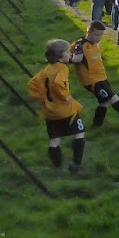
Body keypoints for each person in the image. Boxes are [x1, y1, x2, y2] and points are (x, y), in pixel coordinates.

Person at [70, 21, 119, 132]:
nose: (99, 38)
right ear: (89, 32)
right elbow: (73, 58)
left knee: (104, 102)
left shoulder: (96, 44)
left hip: (102, 78)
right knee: (113, 99)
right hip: (92, 81)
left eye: (101, 35)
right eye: (97, 35)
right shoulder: (80, 45)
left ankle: (96, 127)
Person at [28, 38, 87, 174]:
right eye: (67, 52)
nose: (70, 54)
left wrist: (41, 98)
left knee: (55, 139)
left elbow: (32, 84)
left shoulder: (47, 70)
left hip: (50, 112)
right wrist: (64, 95)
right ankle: (76, 164)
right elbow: (58, 83)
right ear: (60, 56)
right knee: (79, 133)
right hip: (66, 111)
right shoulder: (62, 68)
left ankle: (57, 165)